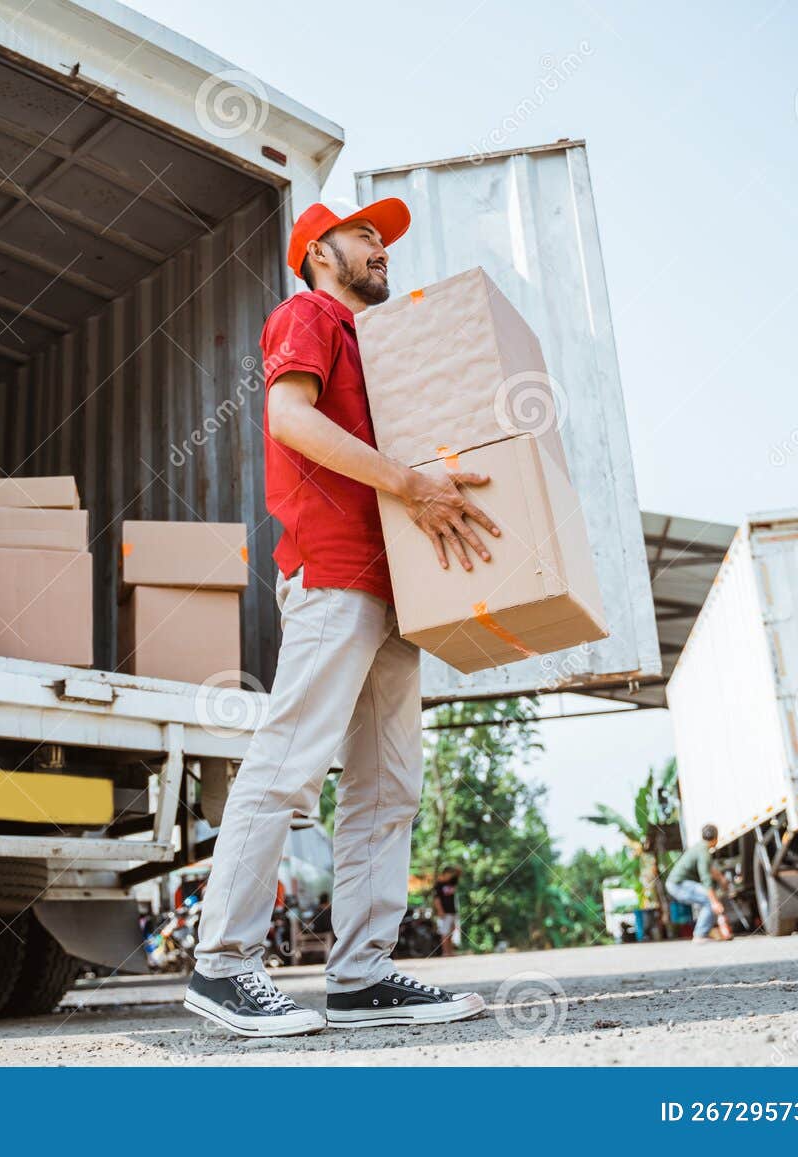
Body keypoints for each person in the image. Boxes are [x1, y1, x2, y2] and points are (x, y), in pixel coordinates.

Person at [185, 198, 495, 1037]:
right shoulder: (307, 313)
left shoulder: (378, 347)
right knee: (287, 767)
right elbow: (289, 418)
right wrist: (406, 483)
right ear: (318, 251)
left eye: (384, 238)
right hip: (332, 576)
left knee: (389, 786)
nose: (381, 247)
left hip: (396, 588)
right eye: (366, 236)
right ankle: (221, 966)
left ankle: (359, 975)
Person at [665, 824, 731, 941]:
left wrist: (721, 879)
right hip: (678, 885)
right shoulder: (704, 852)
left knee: (709, 899)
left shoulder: (699, 847)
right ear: (716, 838)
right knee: (709, 899)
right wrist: (715, 902)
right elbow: (706, 878)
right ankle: (700, 934)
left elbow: (710, 869)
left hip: (677, 884)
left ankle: (706, 930)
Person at [432, 867, 463, 956]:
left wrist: (454, 868)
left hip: (452, 910)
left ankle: (450, 951)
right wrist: (440, 910)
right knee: (444, 932)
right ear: (445, 873)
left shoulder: (451, 882)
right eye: (450, 874)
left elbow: (460, 872)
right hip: (444, 912)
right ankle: (445, 952)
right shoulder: (438, 884)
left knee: (451, 931)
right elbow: (436, 899)